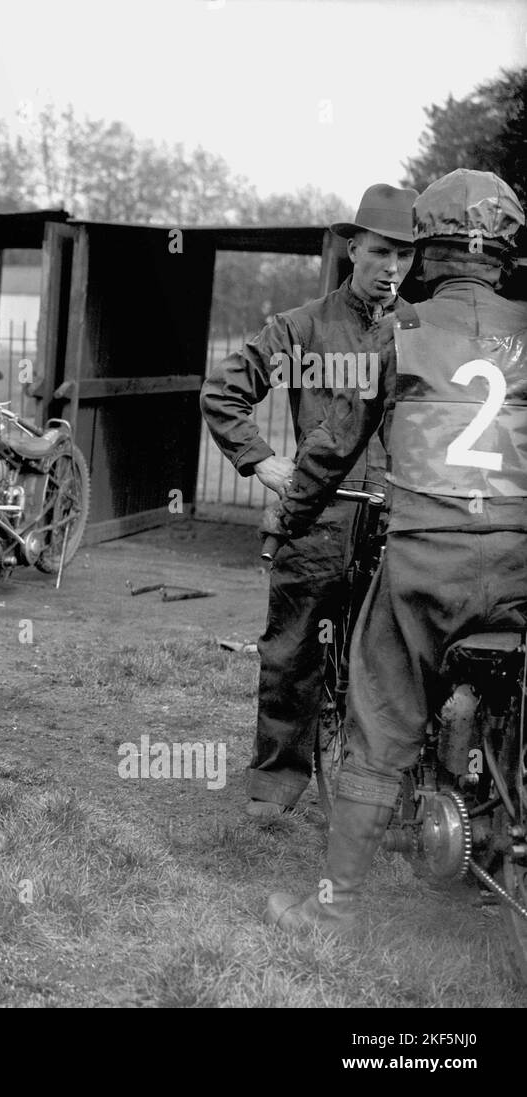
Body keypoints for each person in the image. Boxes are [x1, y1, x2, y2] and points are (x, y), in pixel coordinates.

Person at [265, 169, 527, 934]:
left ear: (430, 245)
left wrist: (294, 515)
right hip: (518, 564)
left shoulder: (396, 331)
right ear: (505, 250)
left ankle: (337, 907)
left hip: (426, 564)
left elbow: (332, 447)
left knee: (381, 721)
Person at [199, 183, 417, 819]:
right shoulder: (302, 328)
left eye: (405, 257)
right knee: (294, 651)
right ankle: (276, 782)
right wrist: (263, 461)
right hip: (320, 517)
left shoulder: (422, 332)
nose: (392, 269)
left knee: (401, 659)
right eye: (380, 253)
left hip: (400, 520)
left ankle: (398, 794)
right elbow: (224, 390)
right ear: (353, 248)